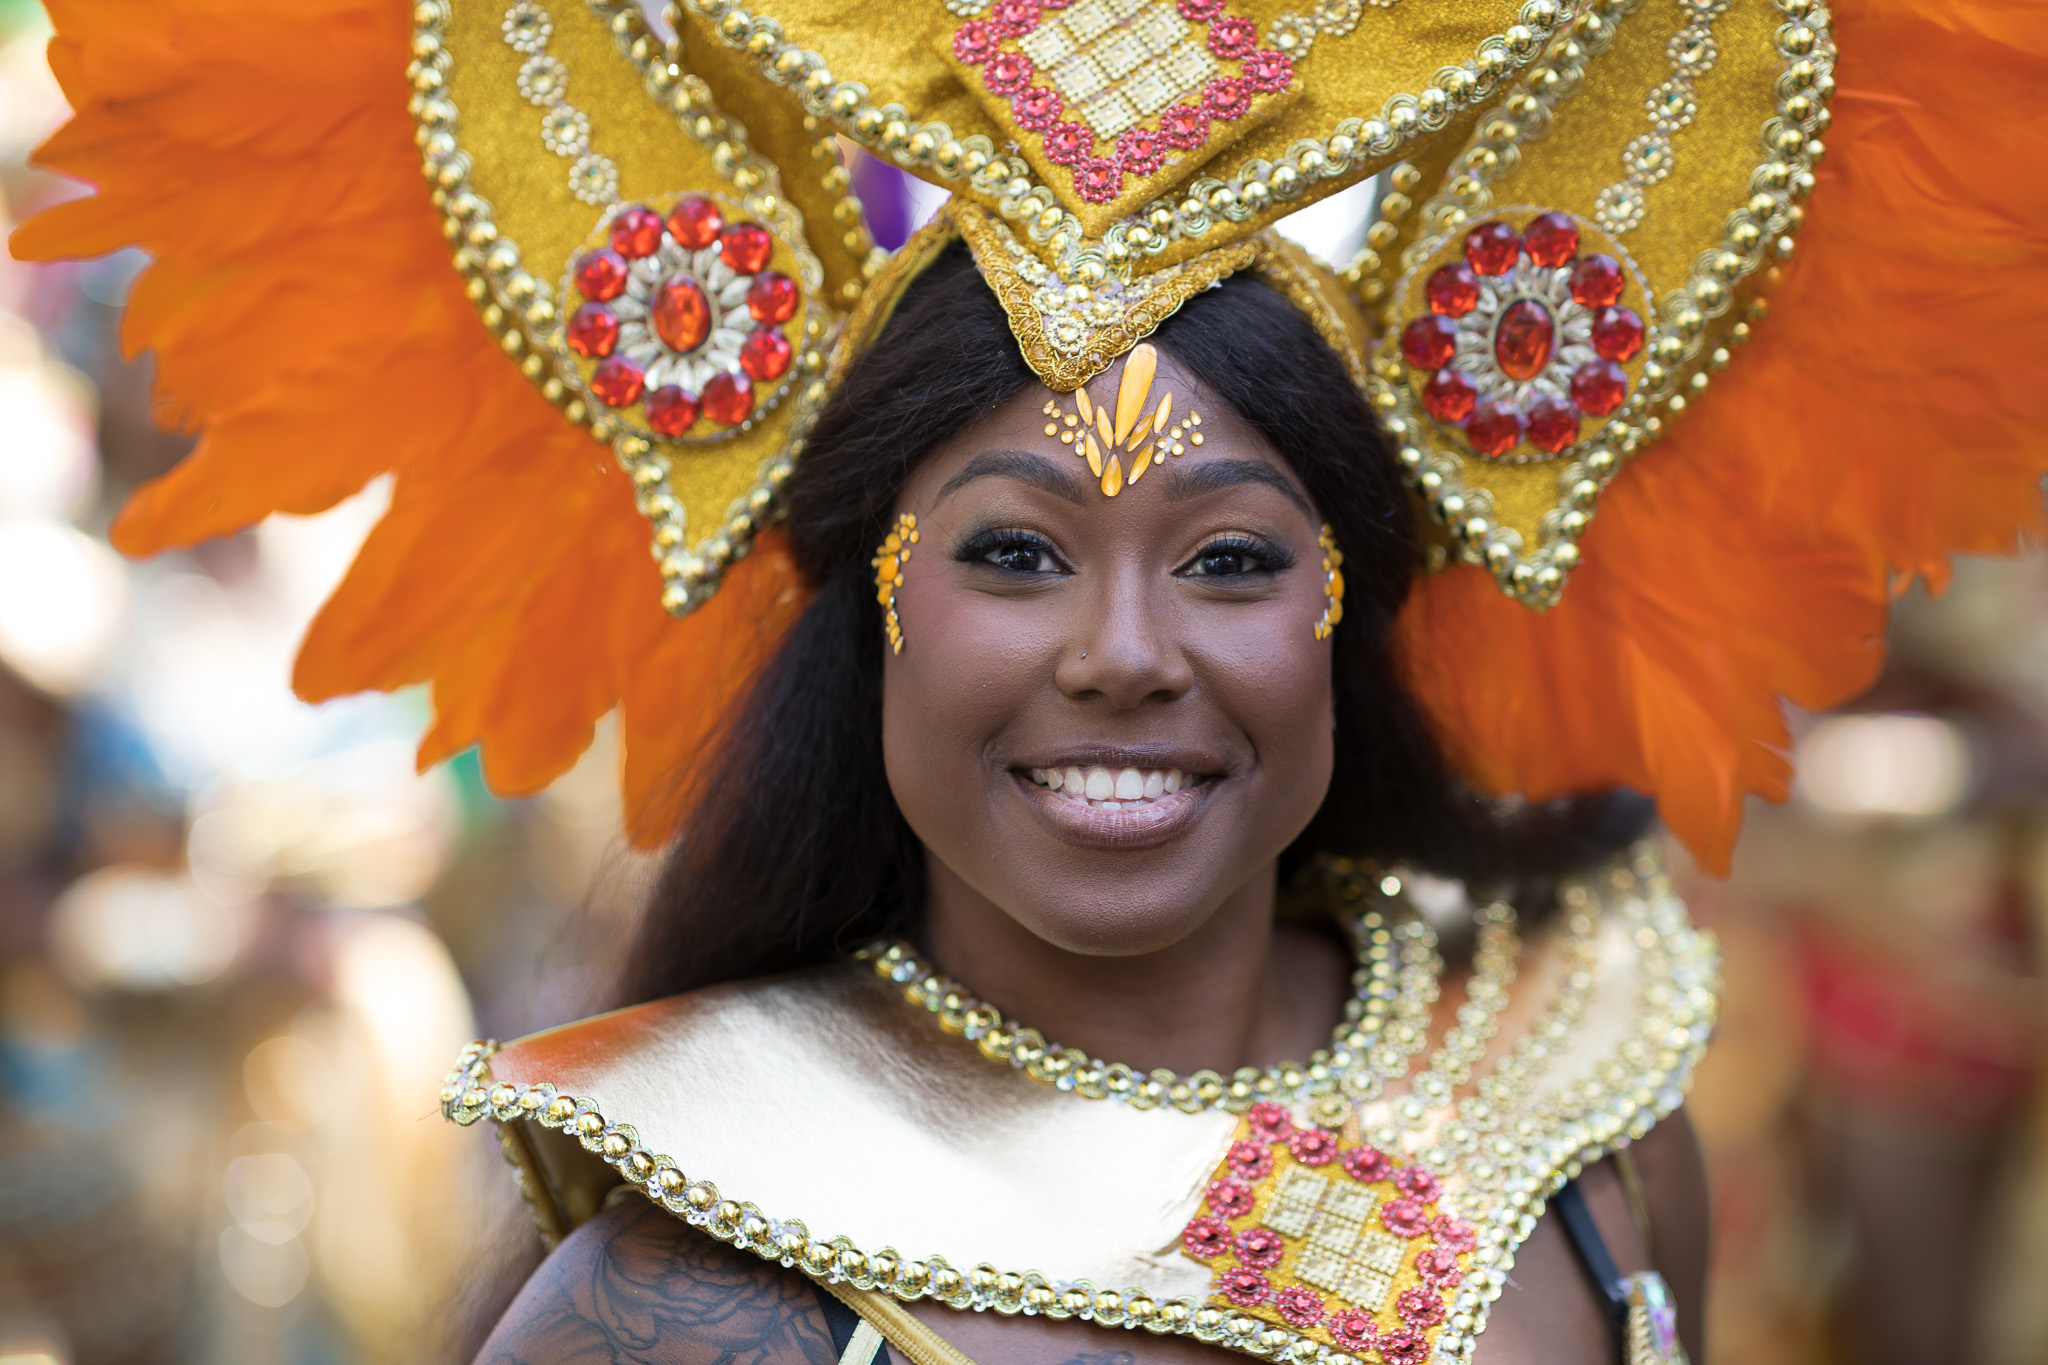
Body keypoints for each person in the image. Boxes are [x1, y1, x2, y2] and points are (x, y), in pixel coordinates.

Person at [13, 0, 2046, 1362]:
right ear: (871, 617)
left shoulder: (1570, 1108)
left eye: (1233, 558)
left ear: (1346, 608)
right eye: (1010, 553)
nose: (1123, 651)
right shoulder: (688, 1274)